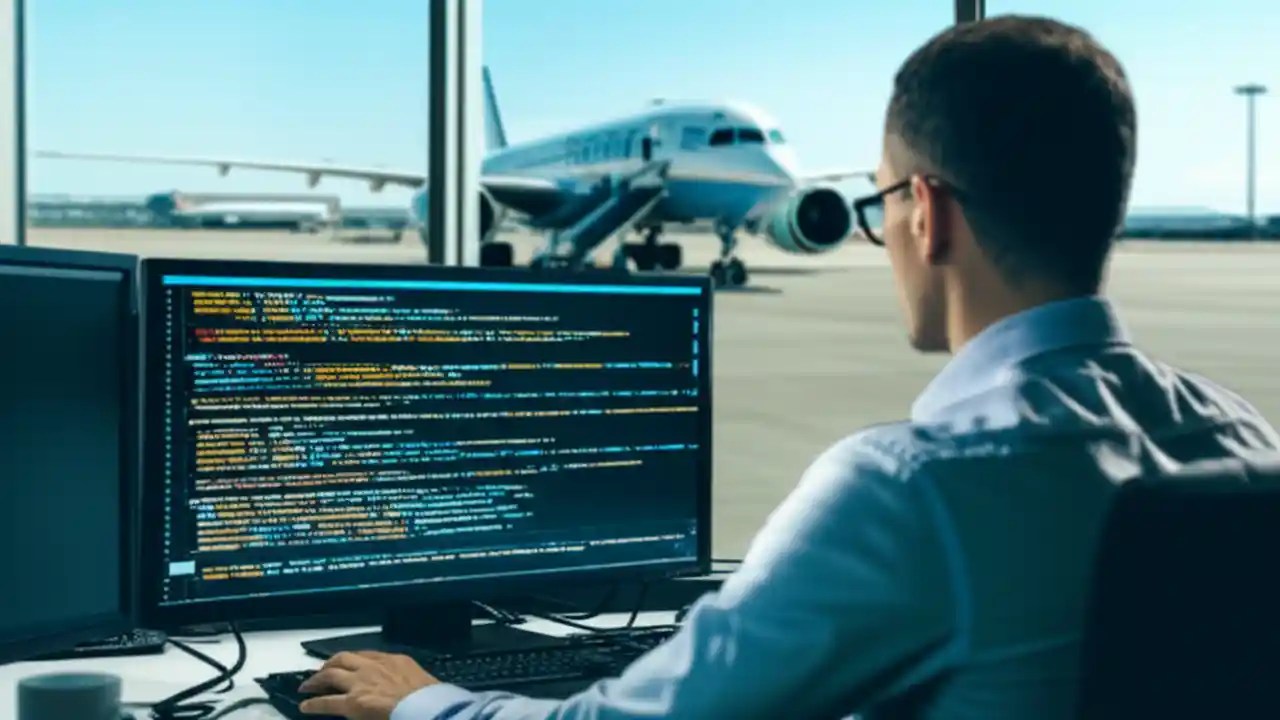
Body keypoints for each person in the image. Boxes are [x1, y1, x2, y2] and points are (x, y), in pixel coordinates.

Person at [298, 14, 1280, 720]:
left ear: (926, 214)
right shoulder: (1239, 440)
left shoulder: (910, 489)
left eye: (885, 198)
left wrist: (426, 702)